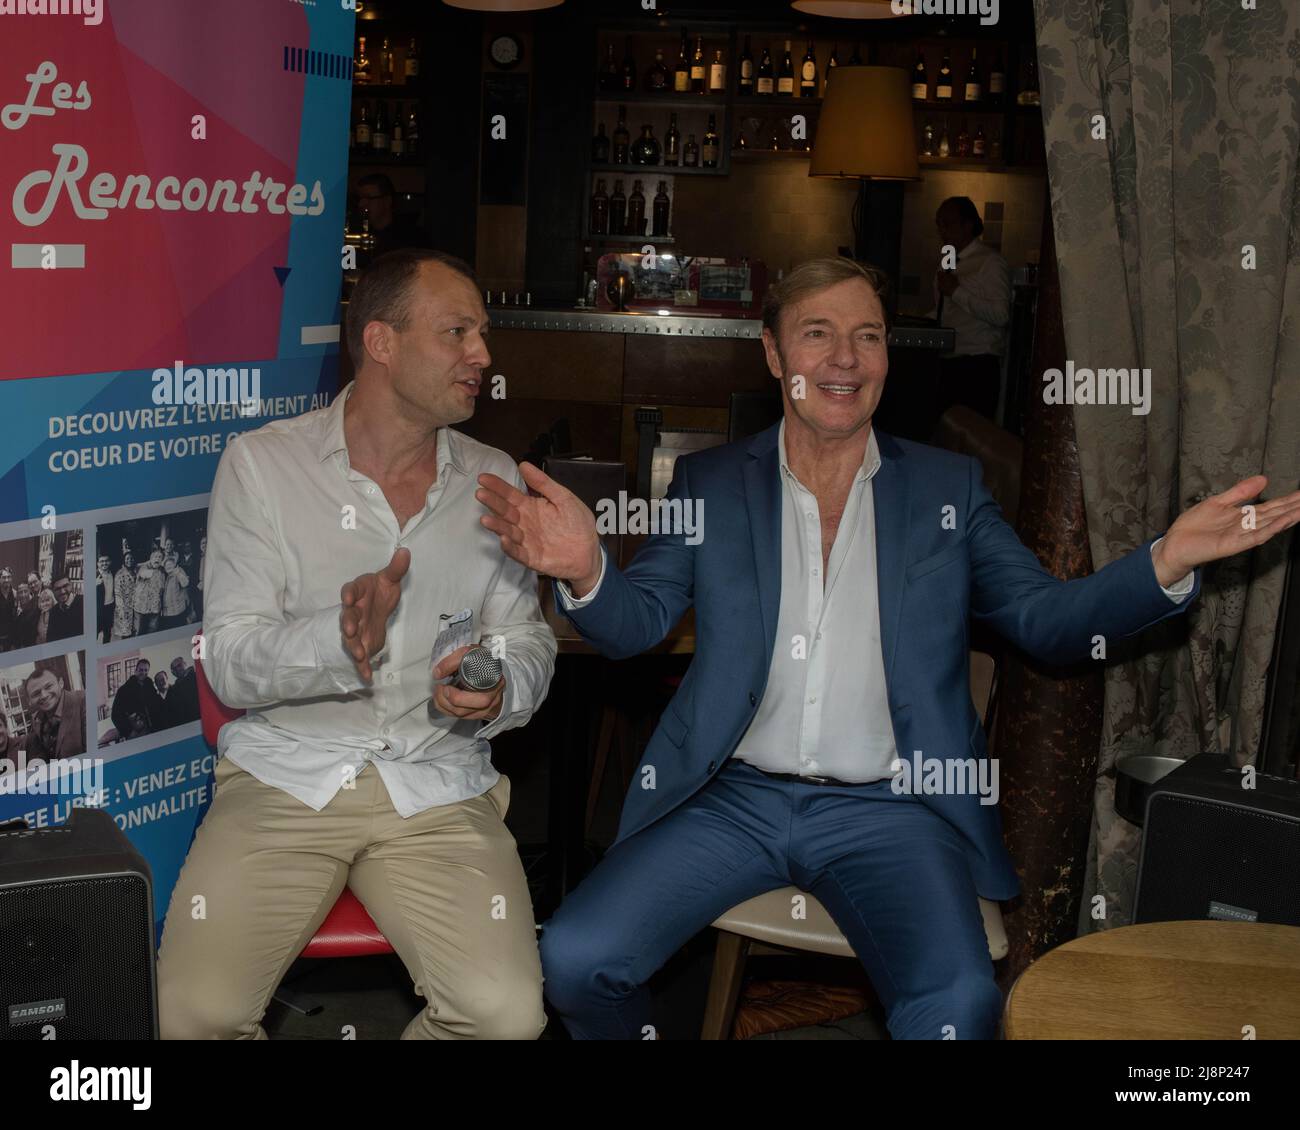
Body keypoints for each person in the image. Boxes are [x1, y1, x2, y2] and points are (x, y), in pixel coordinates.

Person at [477, 256, 1300, 1040]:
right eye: (818, 333)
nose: (846, 358)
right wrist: (587, 569)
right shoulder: (714, 485)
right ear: (773, 352)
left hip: (893, 810)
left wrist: (1167, 561)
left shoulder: (946, 490)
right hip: (731, 799)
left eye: (868, 335)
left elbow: (1049, 620)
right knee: (576, 958)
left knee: (957, 1007)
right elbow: (638, 624)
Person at [157, 248, 556, 1041]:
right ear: (381, 342)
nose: (483, 355)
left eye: (483, 333)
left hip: (436, 784)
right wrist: (338, 643)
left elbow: (526, 642)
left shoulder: (493, 478)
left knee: (504, 1018)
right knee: (192, 1015)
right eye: (457, 332)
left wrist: (491, 681)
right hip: (286, 779)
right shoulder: (264, 466)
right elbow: (230, 661)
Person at [931, 196, 1011, 423]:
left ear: (968, 225)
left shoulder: (990, 262)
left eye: (948, 223)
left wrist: (956, 291)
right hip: (948, 362)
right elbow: (946, 312)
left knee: (973, 437)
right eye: (939, 224)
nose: (943, 230)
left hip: (977, 366)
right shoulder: (947, 261)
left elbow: (1001, 315)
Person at [355, 174, 430, 260]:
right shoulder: (358, 233)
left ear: (387, 201)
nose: (361, 204)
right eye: (359, 199)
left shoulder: (411, 238)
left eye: (368, 198)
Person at [23, 667, 86, 761]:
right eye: (36, 694)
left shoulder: (83, 700)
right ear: (29, 701)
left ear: (61, 683)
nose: (44, 695)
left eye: (48, 687)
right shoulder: (36, 719)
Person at [110, 658, 163, 741]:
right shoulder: (124, 690)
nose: (143, 673)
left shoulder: (150, 686)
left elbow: (156, 704)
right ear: (135, 671)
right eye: (141, 670)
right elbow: (115, 715)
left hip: (152, 730)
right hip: (135, 732)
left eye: (146, 670)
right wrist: (129, 731)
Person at [132, 548, 165, 635]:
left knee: (152, 630)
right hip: (141, 606)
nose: (157, 559)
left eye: (160, 557)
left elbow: (162, 588)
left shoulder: (162, 571)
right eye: (155, 556)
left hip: (155, 607)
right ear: (151, 558)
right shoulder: (143, 568)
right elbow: (144, 574)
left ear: (162, 560)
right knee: (138, 631)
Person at [163, 656, 200, 726]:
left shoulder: (198, 677)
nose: (177, 669)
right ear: (173, 672)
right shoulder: (174, 689)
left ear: (185, 664)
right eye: (174, 668)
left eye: (179, 665)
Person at [159, 553, 191, 630]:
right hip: (167, 613)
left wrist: (177, 572)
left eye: (171, 564)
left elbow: (185, 583)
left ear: (174, 565)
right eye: (167, 565)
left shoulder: (178, 572)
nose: (168, 566)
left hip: (178, 611)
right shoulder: (164, 575)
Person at [47, 575, 84, 642]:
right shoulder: (53, 611)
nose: (62, 591)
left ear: (71, 585)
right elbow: (50, 639)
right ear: (53, 592)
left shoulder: (84, 603)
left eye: (65, 586)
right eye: (57, 589)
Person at [113, 550, 138, 640]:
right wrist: (121, 608)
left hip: (135, 605)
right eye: (127, 558)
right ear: (124, 560)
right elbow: (117, 592)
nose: (129, 560)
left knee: (134, 630)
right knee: (125, 632)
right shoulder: (119, 573)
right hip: (124, 607)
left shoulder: (136, 571)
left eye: (131, 558)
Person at [12, 583, 38, 650]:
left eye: (25, 591)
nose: (23, 595)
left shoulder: (36, 607)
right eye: (20, 592)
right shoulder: (14, 610)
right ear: (17, 594)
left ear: (29, 591)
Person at [95, 554, 114, 643]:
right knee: (95, 632)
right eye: (102, 561)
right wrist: (94, 584)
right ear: (97, 563)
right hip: (98, 609)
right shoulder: (94, 575)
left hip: (109, 607)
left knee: (107, 632)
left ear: (110, 562)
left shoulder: (112, 573)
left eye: (106, 561)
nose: (104, 563)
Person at [0, 568, 17, 651]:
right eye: (4, 577)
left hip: (11, 638)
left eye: (9, 577)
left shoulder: (15, 594)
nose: (6, 580)